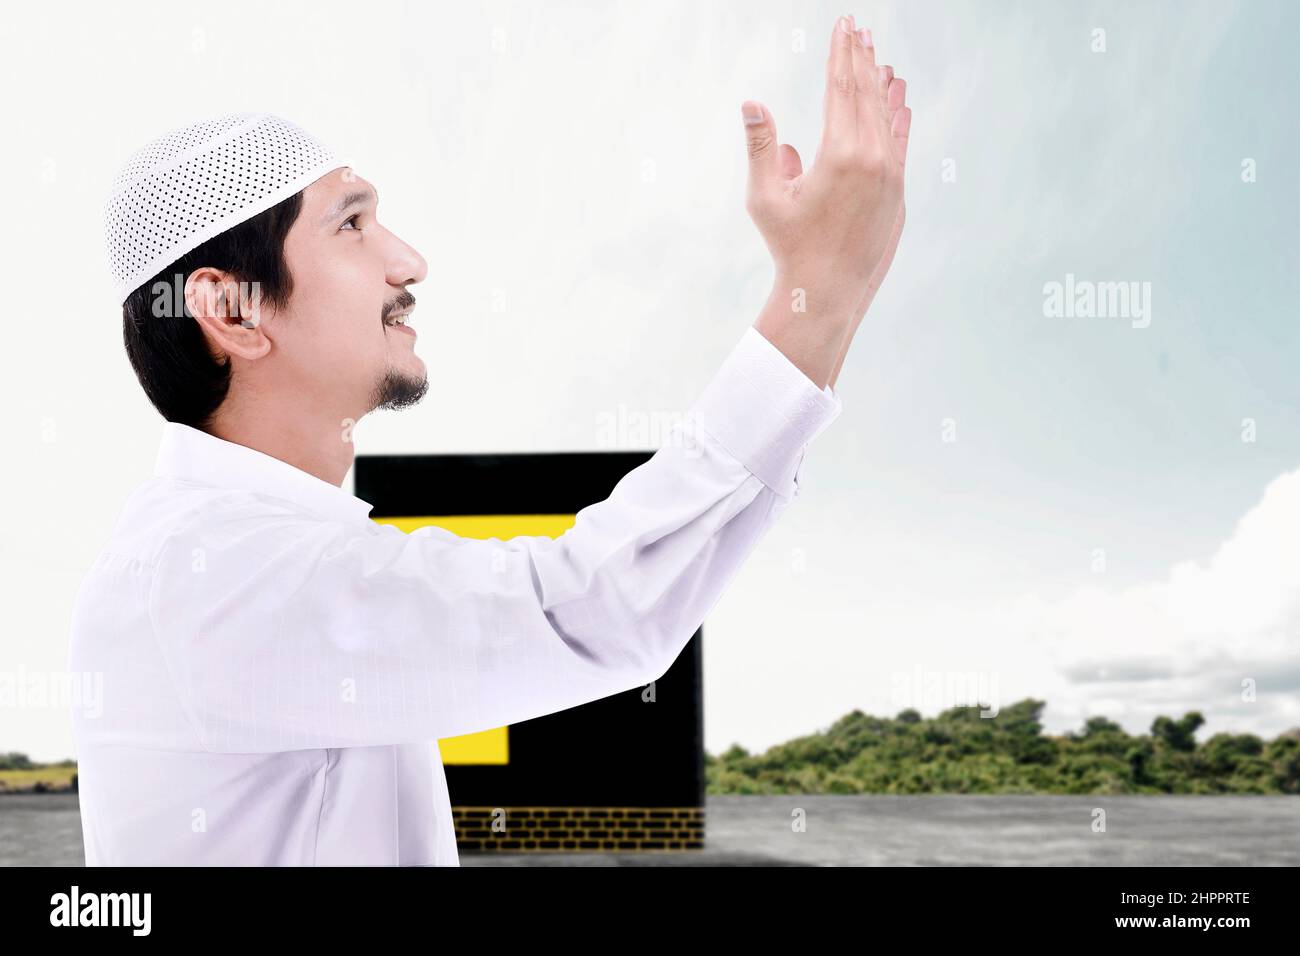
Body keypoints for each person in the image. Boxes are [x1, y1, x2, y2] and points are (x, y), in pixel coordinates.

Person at [70, 14, 909, 865]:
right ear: (233, 310)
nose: (409, 262)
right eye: (351, 225)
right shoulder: (208, 575)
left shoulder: (259, 554)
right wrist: (821, 291)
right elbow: (590, 605)